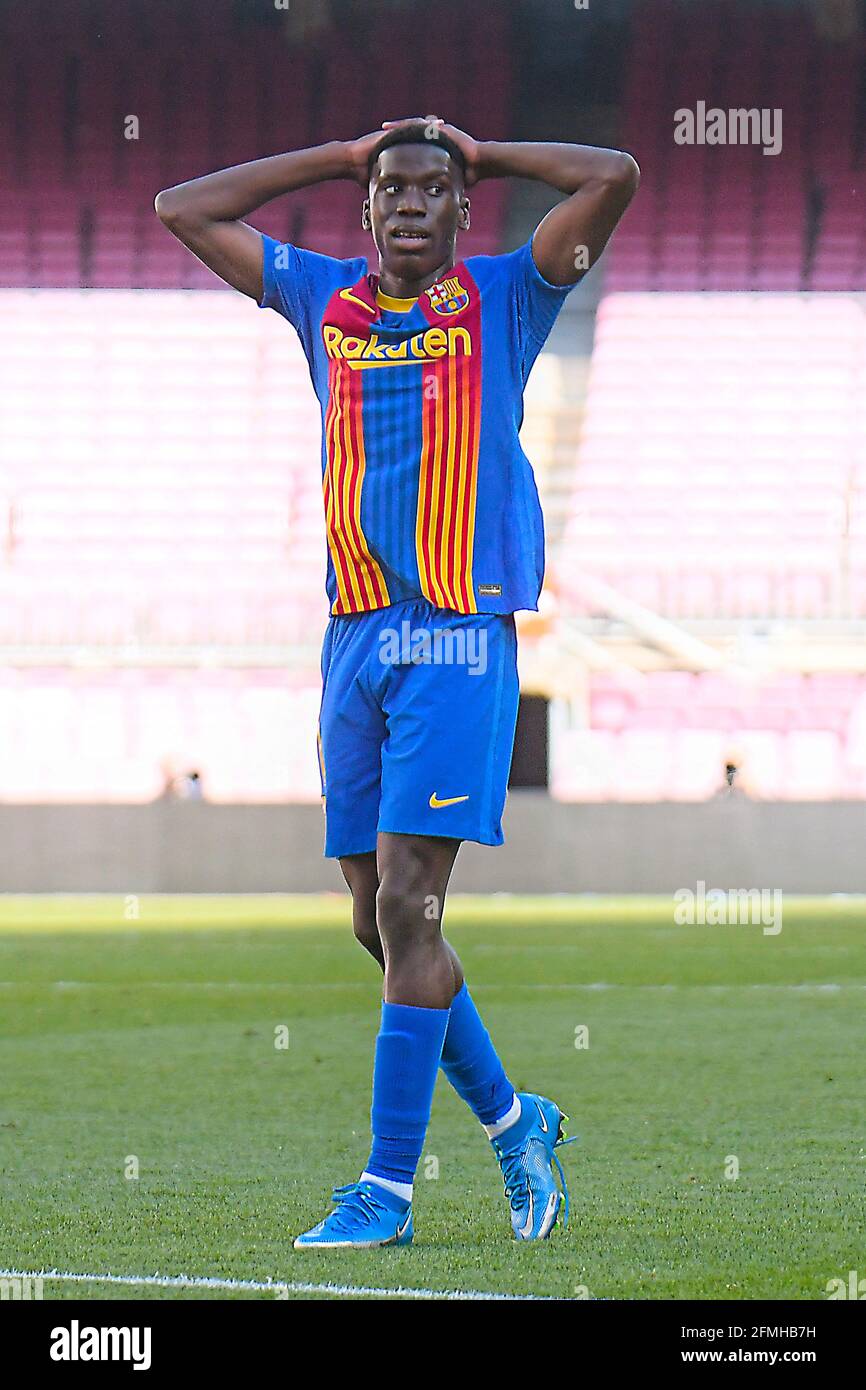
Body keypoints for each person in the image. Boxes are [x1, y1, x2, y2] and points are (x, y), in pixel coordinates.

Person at [155, 116, 638, 1247]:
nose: (411, 206)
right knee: (375, 919)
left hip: (458, 634)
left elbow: (612, 175)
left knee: (413, 903)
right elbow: (184, 207)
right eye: (391, 192)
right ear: (366, 212)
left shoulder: (509, 298)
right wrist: (334, 156)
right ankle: (519, 1123)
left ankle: (385, 1191)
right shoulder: (323, 301)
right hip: (355, 634)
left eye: (432, 191)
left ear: (461, 211)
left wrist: (487, 153)